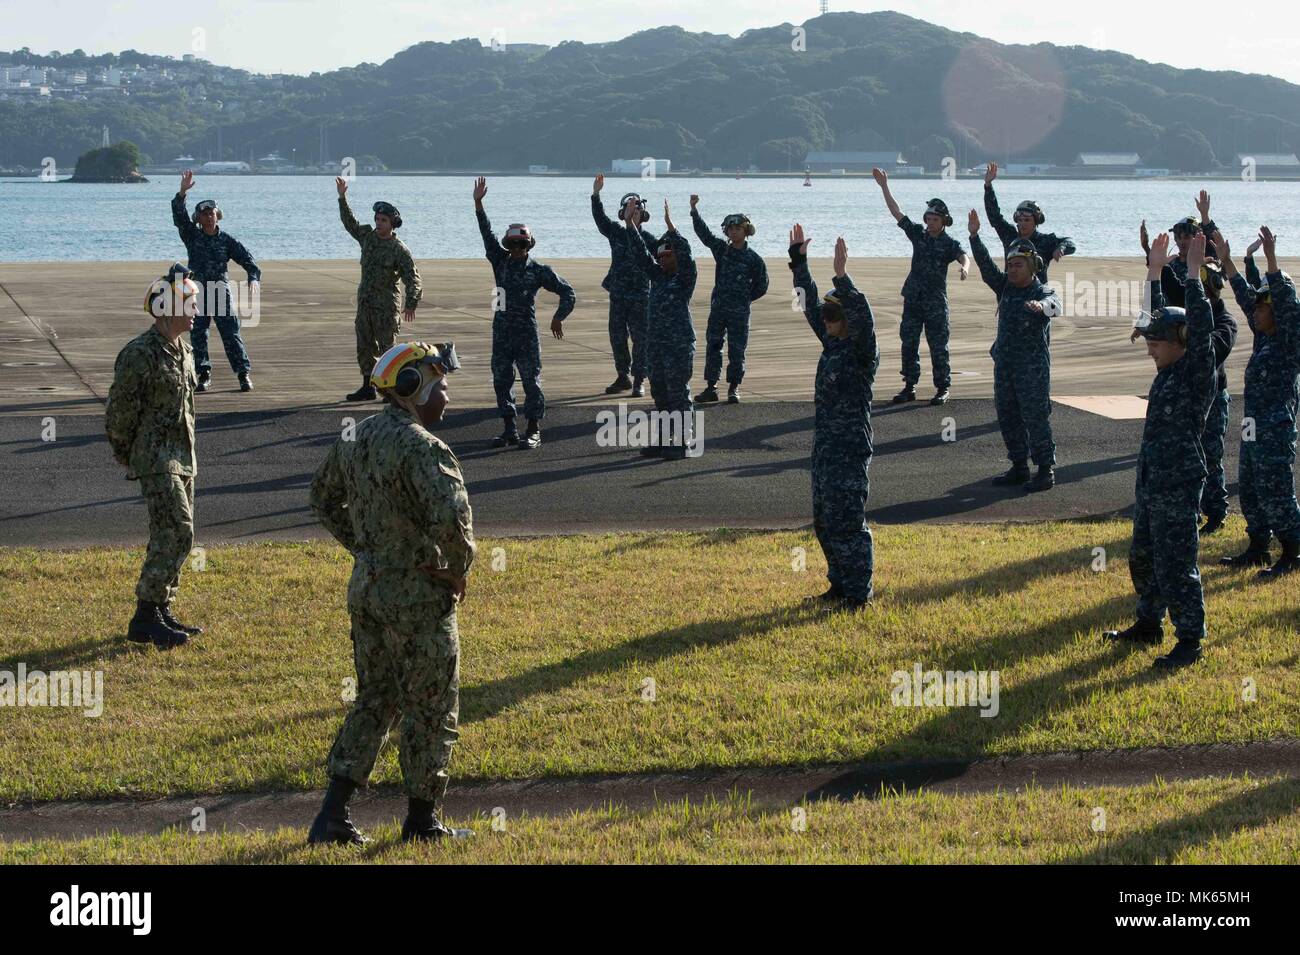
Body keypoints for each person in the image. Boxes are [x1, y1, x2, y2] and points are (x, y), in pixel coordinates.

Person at [307, 340, 476, 845]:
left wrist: (367, 548)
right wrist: (455, 572)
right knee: (430, 707)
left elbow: (322, 498)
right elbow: (453, 523)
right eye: (440, 384)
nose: (446, 395)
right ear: (411, 387)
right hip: (417, 599)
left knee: (375, 699)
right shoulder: (424, 448)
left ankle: (332, 815)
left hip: (368, 590)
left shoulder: (355, 437)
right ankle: (422, 822)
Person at [1104, 232, 1216, 670]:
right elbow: (1156, 317)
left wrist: (1192, 275)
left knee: (1176, 562)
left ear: (1180, 341)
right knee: (1143, 555)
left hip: (1179, 481)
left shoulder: (1195, 372)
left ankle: (1190, 639)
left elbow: (1200, 331)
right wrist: (1153, 273)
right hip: (1152, 478)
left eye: (1157, 341)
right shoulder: (1166, 371)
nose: (1149, 347)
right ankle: (1149, 622)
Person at [104, 263, 203, 650]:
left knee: (172, 534)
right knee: (178, 529)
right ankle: (146, 614)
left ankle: (160, 609)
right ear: (169, 308)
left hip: (183, 457)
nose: (196, 310)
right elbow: (119, 414)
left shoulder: (185, 351)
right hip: (155, 458)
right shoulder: (139, 354)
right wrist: (128, 454)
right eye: (190, 303)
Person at [789, 225, 878, 610]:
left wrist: (842, 277)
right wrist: (799, 263)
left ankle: (859, 594)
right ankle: (839, 585)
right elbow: (809, 304)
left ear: (846, 319)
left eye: (833, 315)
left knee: (848, 522)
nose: (825, 319)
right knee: (824, 521)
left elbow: (863, 318)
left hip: (849, 449)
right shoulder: (832, 343)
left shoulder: (861, 352)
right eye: (826, 314)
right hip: (825, 448)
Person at [1213, 227, 1300, 577]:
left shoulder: (1290, 340)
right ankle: (1258, 546)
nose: (1254, 313)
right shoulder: (1264, 338)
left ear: (1276, 311)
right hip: (1252, 426)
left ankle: (1292, 551)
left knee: (1276, 488)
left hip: (1275, 428)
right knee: (1250, 486)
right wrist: (1227, 262)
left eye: (1262, 308)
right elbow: (1243, 295)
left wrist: (1272, 261)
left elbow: (1287, 304)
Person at [474, 176, 576, 450]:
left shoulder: (539, 270)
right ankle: (509, 429)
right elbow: (486, 234)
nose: (517, 249)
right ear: (507, 245)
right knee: (501, 380)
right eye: (513, 244)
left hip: (526, 334)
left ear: (529, 245)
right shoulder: (499, 261)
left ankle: (533, 429)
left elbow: (568, 292)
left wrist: (558, 317)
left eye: (522, 244)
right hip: (501, 333)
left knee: (532, 382)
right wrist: (478, 205)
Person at [968, 212, 1063, 493]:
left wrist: (1041, 307)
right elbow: (986, 267)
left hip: (1031, 370)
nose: (1011, 269)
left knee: (1035, 417)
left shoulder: (1042, 291)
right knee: (1007, 415)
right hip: (1005, 367)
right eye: (1009, 264)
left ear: (1032, 266)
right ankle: (1019, 466)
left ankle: (1045, 470)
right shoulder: (1005, 287)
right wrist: (974, 237)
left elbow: (1055, 305)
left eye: (1018, 264)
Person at [871, 167, 969, 406]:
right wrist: (884, 186)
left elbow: (963, 256)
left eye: (935, 220)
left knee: (938, 345)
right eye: (928, 219)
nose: (930, 223)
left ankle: (943, 387)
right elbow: (897, 213)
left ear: (944, 222)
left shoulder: (949, 243)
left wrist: (965, 268)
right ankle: (909, 386)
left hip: (935, 301)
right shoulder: (918, 234)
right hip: (913, 298)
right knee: (909, 342)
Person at [172, 170, 261, 393]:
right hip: (198, 293)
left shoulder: (226, 240)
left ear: (217, 216)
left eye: (212, 213)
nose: (209, 217)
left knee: (231, 334)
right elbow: (179, 217)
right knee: (198, 334)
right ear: (199, 219)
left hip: (221, 292)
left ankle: (243, 374)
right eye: (205, 214)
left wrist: (253, 277)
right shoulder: (192, 235)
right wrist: (182, 192)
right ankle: (203, 375)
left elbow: (248, 260)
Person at [336, 176, 422, 402]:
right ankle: (368, 387)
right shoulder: (367, 237)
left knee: (387, 349)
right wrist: (342, 198)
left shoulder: (398, 249)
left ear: (392, 223)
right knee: (364, 345)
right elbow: (349, 223)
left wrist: (411, 303)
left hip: (386, 306)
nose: (379, 223)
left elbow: (412, 277)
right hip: (365, 303)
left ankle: (390, 389)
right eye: (377, 219)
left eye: (383, 220)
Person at [624, 199, 697, 460]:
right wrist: (630, 225)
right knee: (660, 394)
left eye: (669, 255)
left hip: (678, 345)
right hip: (656, 345)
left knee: (678, 394)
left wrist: (671, 228)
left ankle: (683, 441)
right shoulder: (656, 276)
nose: (664, 259)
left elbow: (687, 256)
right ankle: (665, 439)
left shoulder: (684, 279)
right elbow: (641, 255)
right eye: (662, 256)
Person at [690, 195, 769, 404]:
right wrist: (694, 211)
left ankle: (734, 388)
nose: (734, 232)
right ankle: (711, 387)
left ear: (746, 231)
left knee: (737, 349)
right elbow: (705, 235)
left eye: (738, 229)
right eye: (730, 229)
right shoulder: (721, 250)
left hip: (739, 312)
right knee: (713, 346)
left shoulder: (754, 259)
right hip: (719, 309)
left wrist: (745, 298)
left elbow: (762, 285)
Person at [592, 174, 650, 397]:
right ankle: (623, 376)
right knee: (617, 337)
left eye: (636, 210)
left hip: (641, 297)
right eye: (629, 210)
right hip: (618, 294)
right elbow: (600, 220)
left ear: (643, 215)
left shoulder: (650, 240)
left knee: (640, 339)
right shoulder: (616, 233)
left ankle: (639, 379)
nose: (632, 213)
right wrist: (596, 195)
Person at [982, 162, 1075, 283]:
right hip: (1011, 290)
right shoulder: (1010, 236)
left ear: (1036, 221)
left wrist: (1061, 248)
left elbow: (1070, 243)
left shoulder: (1045, 241)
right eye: (1020, 220)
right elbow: (994, 216)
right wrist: (988, 186)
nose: (1022, 224)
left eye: (1027, 220)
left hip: (1036, 292)